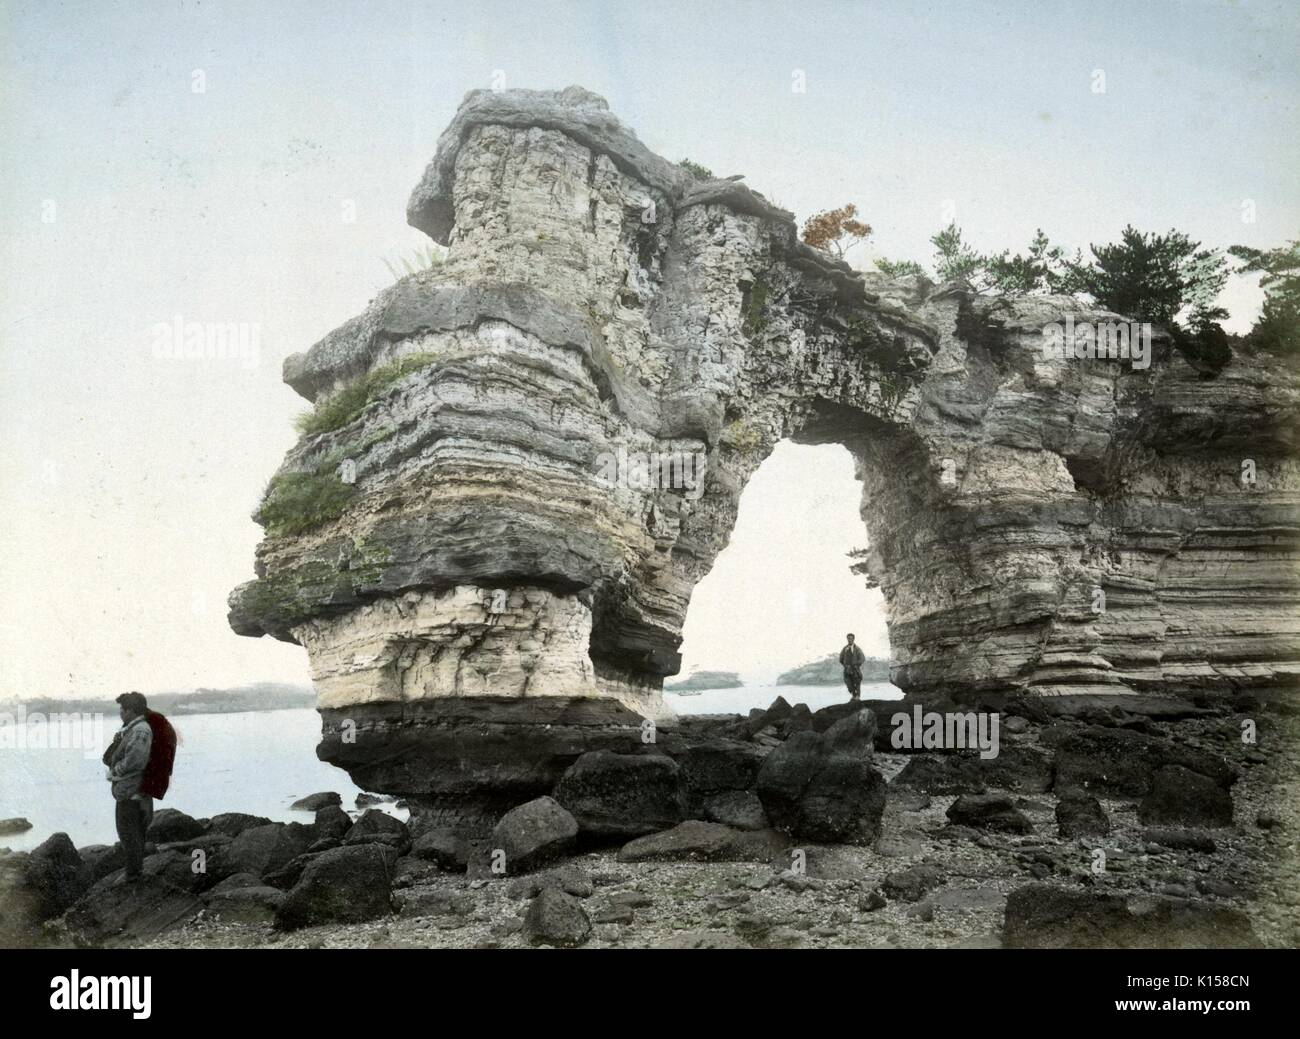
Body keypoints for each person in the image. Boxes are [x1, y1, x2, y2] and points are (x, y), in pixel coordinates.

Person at [104, 691, 154, 880]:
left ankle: (134, 875)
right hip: (132, 789)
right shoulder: (135, 728)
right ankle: (134, 872)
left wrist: (115, 771)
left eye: (122, 709)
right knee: (132, 833)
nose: (120, 713)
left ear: (131, 711)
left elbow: (135, 760)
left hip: (131, 790)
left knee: (128, 833)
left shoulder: (139, 730)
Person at [839, 633, 866, 700]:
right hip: (847, 670)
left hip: (855, 669)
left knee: (857, 683)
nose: (849, 640)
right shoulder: (845, 649)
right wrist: (846, 665)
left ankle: (857, 697)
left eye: (851, 638)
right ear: (847, 639)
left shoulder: (857, 649)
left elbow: (862, 658)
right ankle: (854, 695)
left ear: (853, 639)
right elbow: (840, 659)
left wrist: (856, 664)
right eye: (848, 638)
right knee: (849, 684)